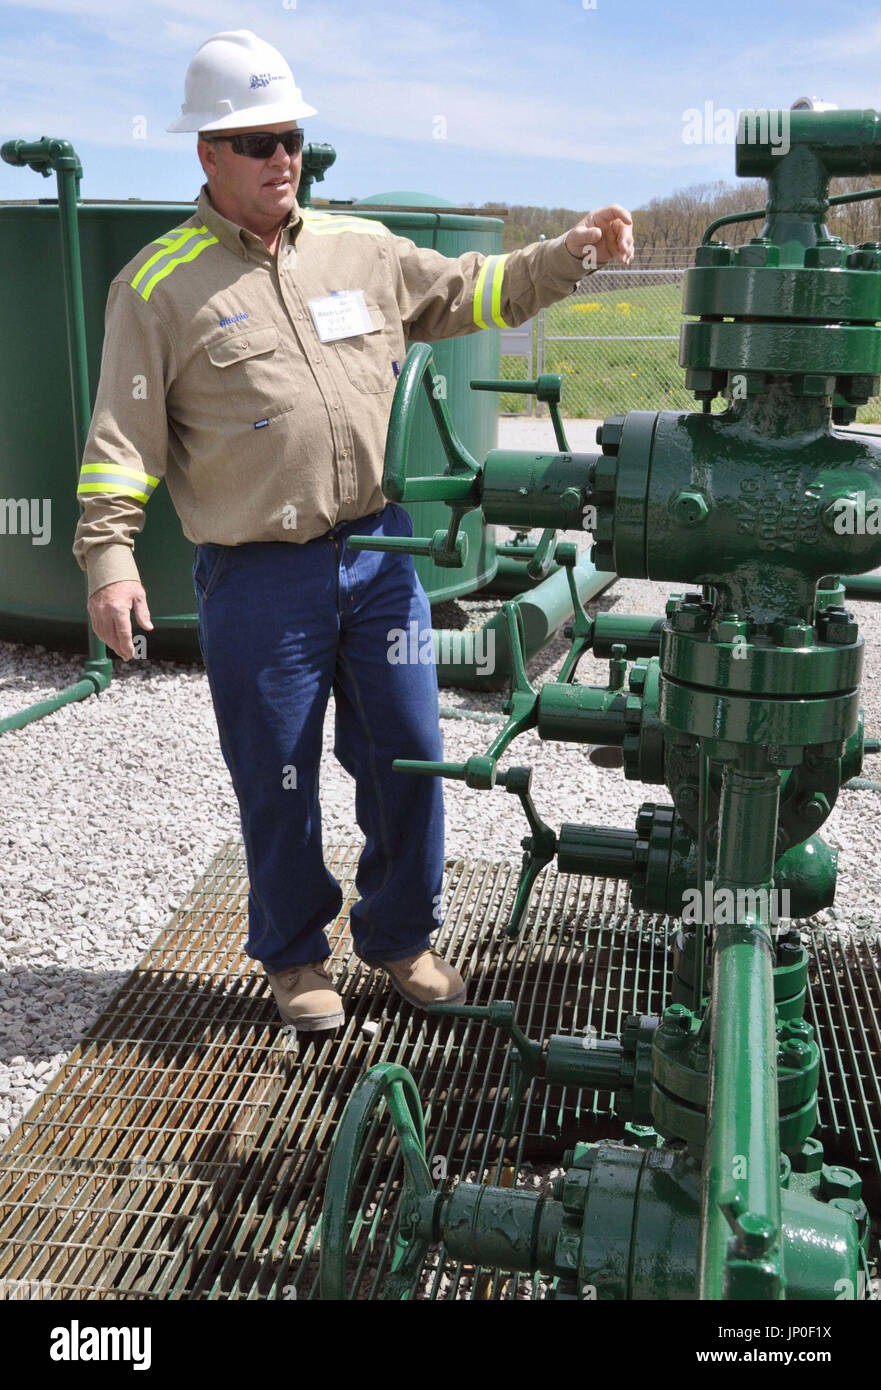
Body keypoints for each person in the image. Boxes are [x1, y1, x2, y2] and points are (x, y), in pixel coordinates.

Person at [73, 30, 635, 1032]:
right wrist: (109, 556)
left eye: (288, 135)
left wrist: (568, 255)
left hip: (382, 556)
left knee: (409, 746)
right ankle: (293, 958)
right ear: (206, 152)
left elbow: (472, 291)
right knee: (277, 767)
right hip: (259, 577)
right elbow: (121, 438)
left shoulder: (359, 250)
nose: (279, 155)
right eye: (253, 141)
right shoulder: (156, 289)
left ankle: (399, 936)